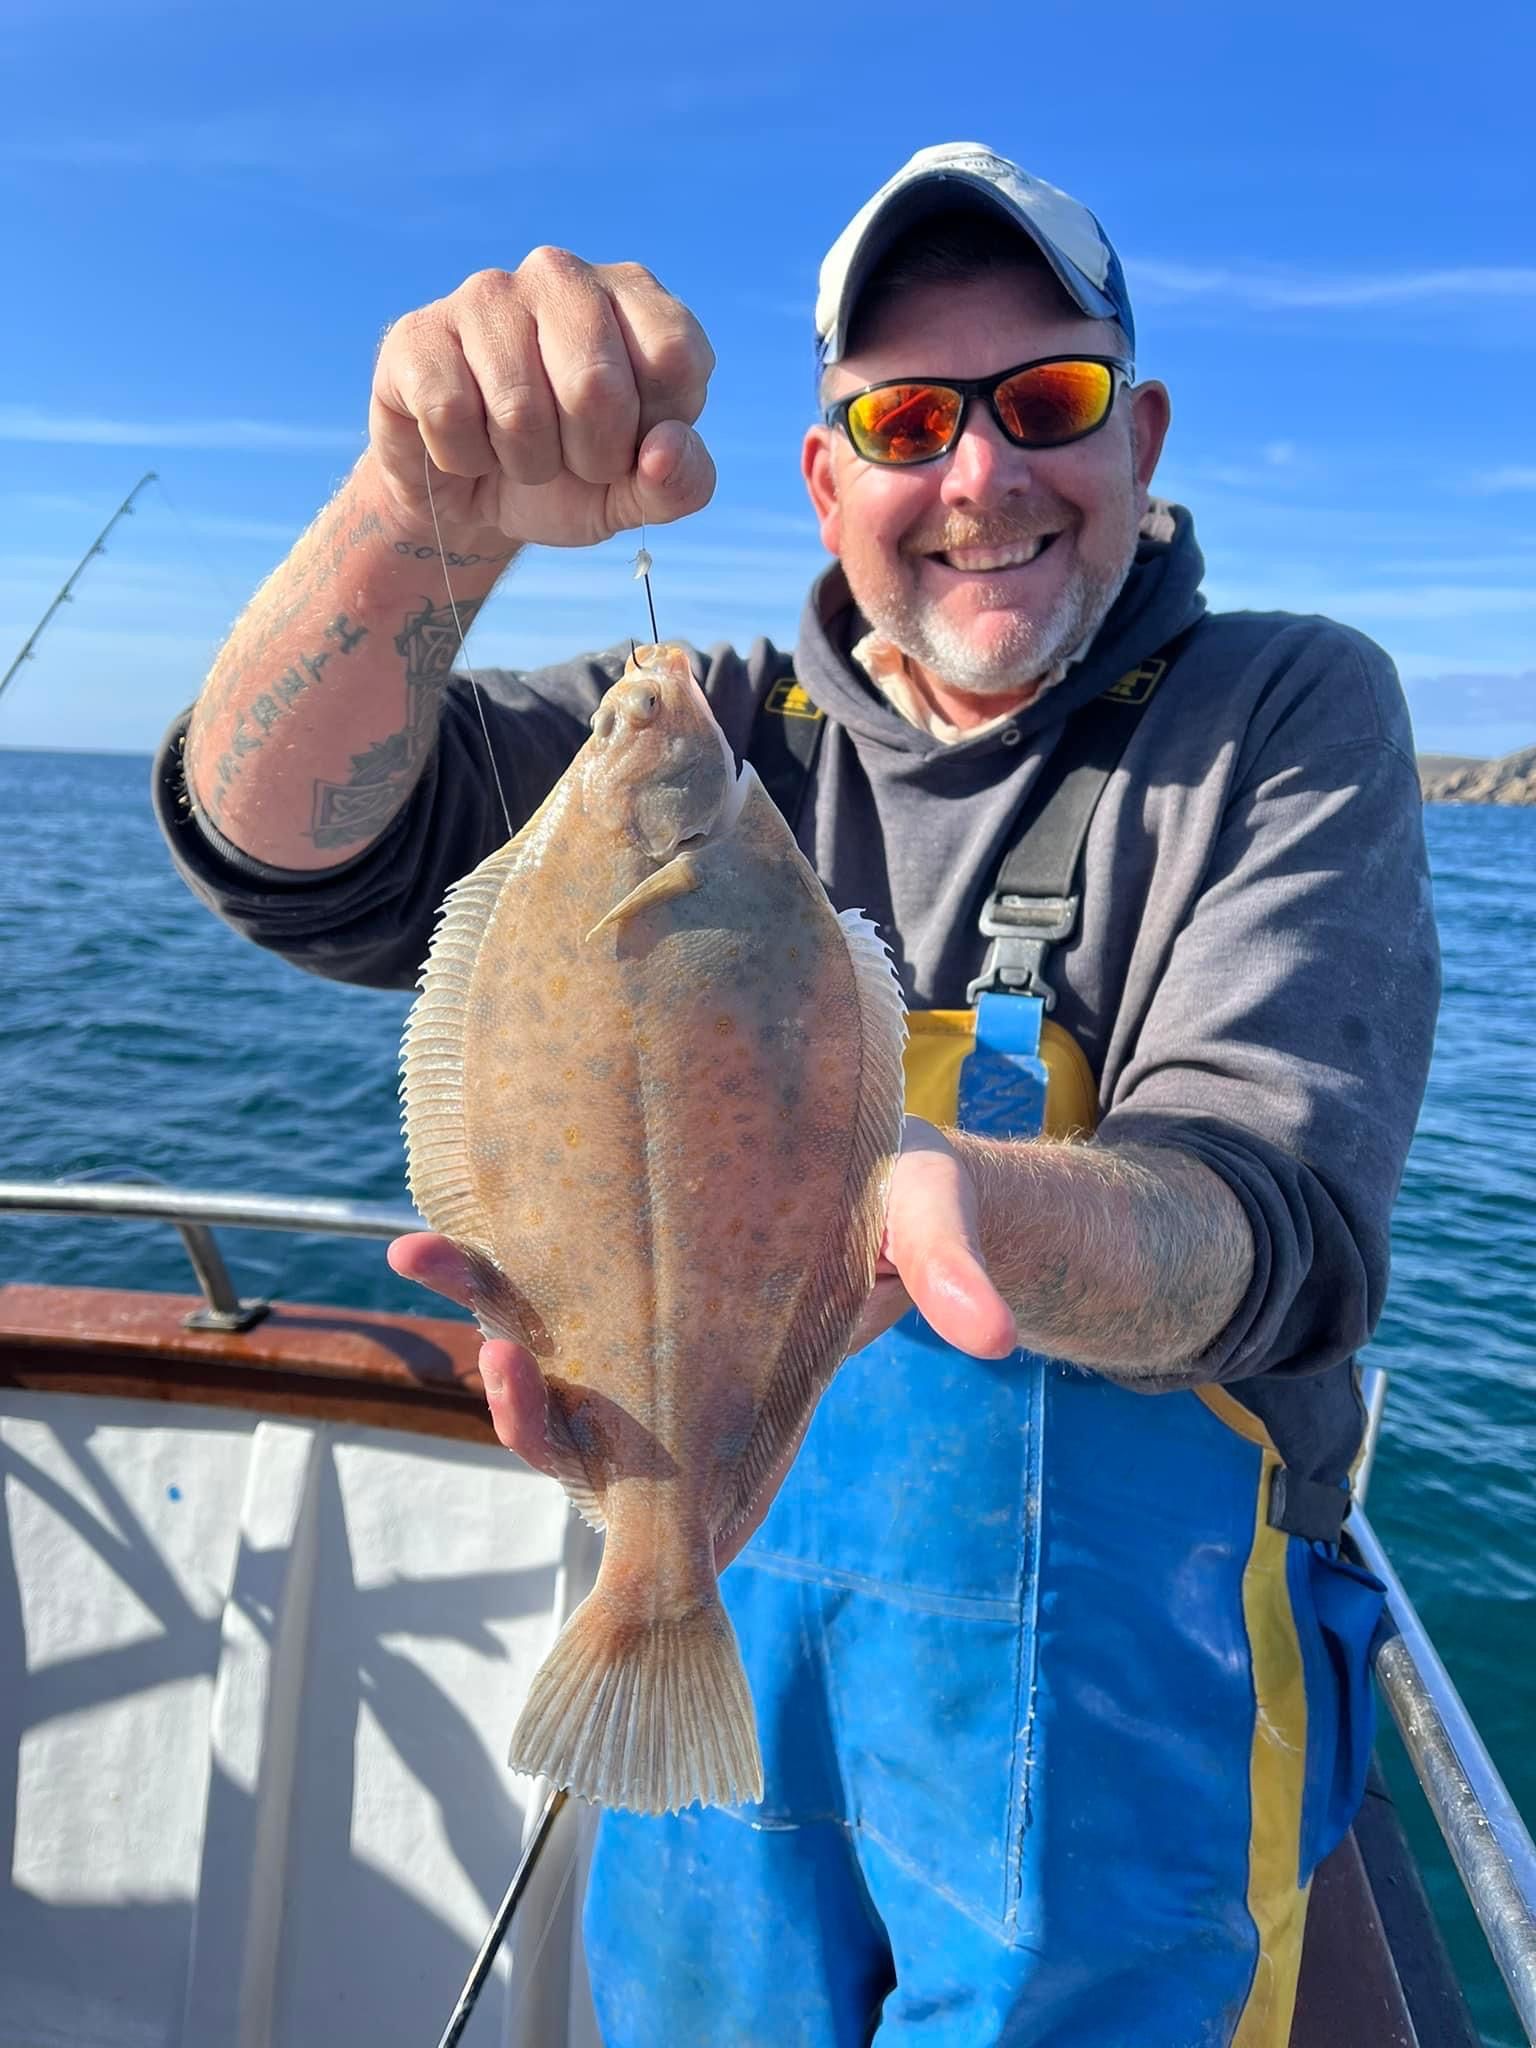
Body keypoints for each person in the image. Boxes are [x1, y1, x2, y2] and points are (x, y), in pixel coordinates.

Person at [154, 142, 1440, 2047]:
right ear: (829, 475)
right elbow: (293, 861)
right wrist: (420, 518)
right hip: (731, 1692)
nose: (983, 474)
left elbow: (1274, 1219)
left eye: (1049, 402)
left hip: (1123, 1735)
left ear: (1142, 433)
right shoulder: (699, 721)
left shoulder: (1283, 716)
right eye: (910, 417)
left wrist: (978, 1215)